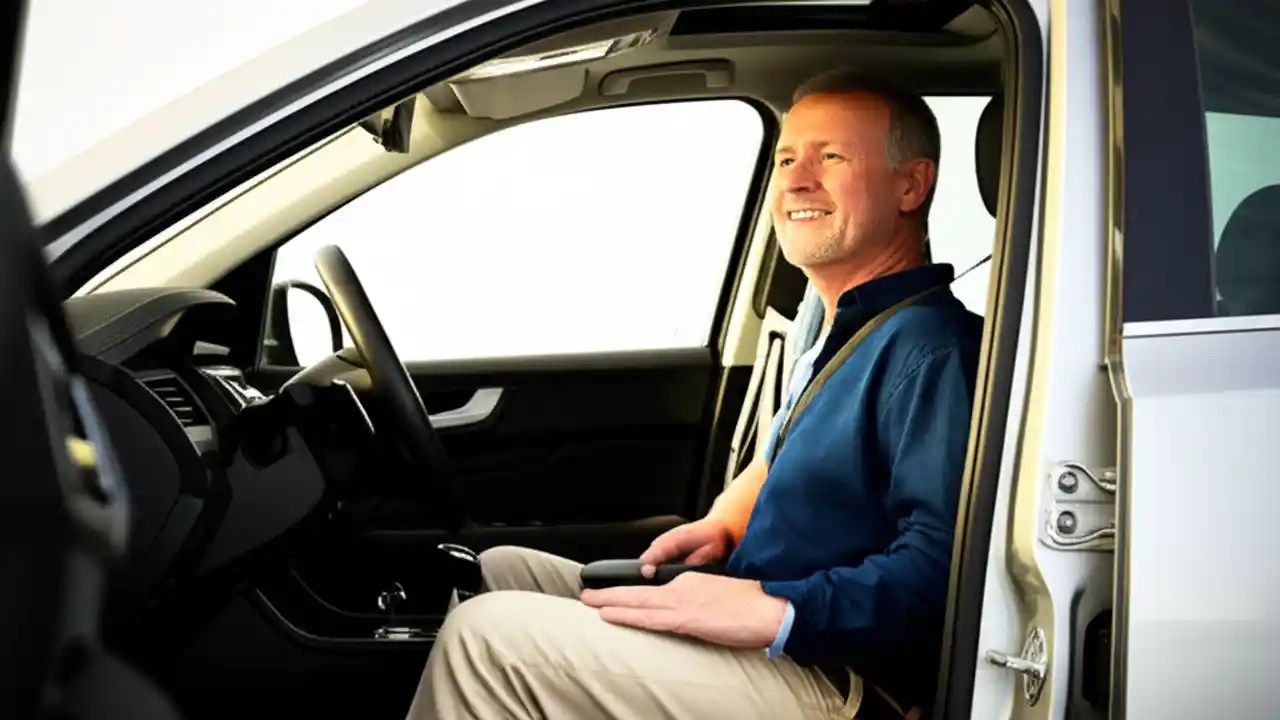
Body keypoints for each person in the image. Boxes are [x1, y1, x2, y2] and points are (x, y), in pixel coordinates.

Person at [405, 70, 984, 720]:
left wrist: (774, 608)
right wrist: (722, 528)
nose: (796, 180)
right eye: (787, 158)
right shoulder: (832, 324)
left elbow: (946, 568)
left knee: (486, 644)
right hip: (766, 623)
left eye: (832, 156)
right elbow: (789, 466)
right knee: (499, 570)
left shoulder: (932, 349)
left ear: (911, 184)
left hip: (832, 677)